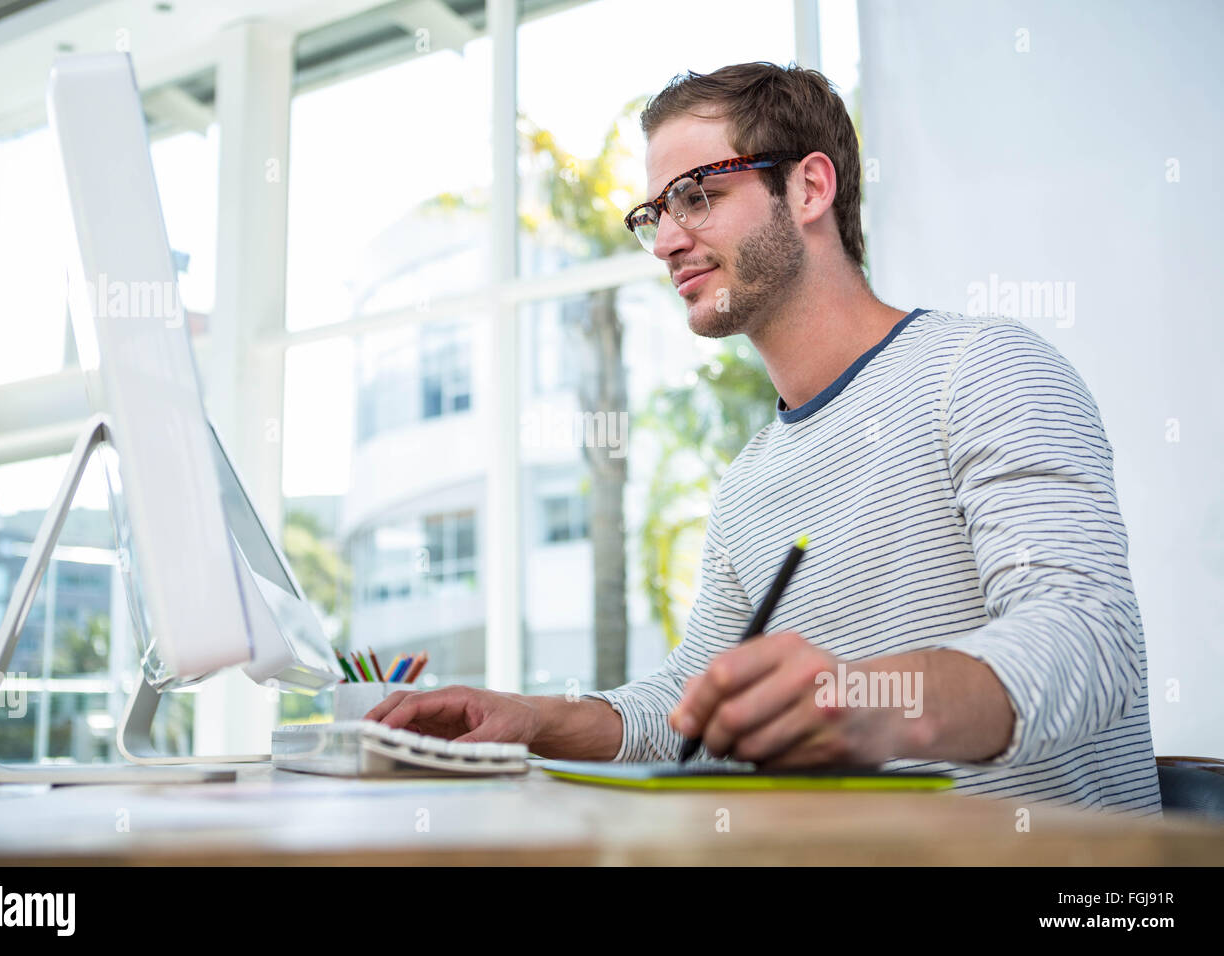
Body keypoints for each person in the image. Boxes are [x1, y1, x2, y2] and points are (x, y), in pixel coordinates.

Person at [366, 61, 1161, 814]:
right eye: (655, 215)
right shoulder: (750, 479)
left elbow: (1087, 642)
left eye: (695, 195)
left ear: (810, 186)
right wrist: (533, 717)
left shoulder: (982, 370)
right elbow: (692, 711)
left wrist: (863, 699)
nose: (669, 240)